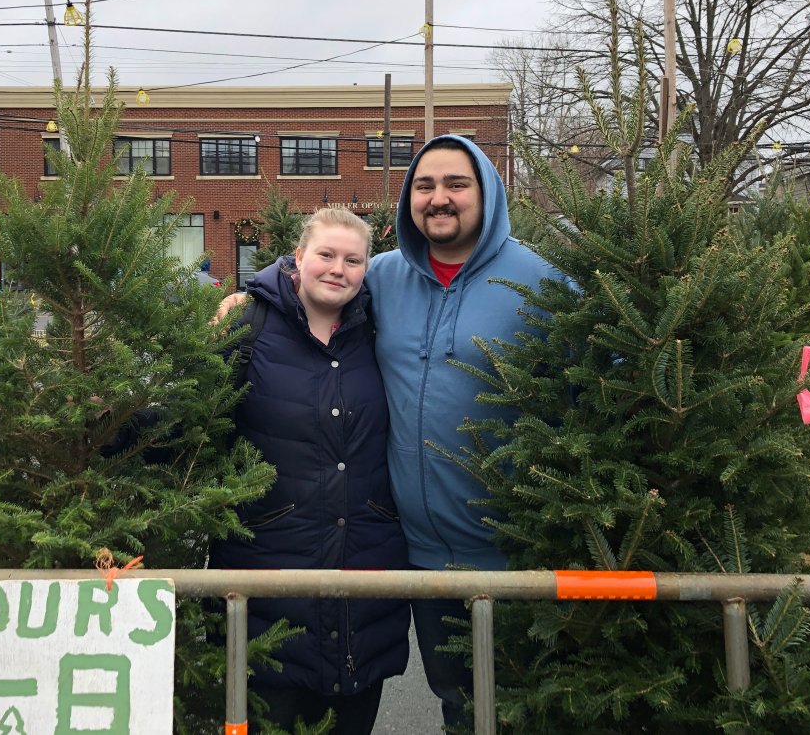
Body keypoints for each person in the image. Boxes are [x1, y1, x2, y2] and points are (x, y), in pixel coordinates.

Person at [367, 134, 561, 728]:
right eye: (424, 186)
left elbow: (613, 365)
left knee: (520, 709)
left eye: (456, 184)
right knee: (457, 703)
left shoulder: (539, 281)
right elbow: (312, 279)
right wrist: (248, 297)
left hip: (515, 556)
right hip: (423, 558)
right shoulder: (381, 278)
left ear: (487, 192)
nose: (439, 199)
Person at [209, 208, 409, 734]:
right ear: (298, 257)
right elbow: (190, 417)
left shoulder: (382, 331)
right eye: (325, 254)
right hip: (268, 570)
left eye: (353, 259)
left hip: (367, 567)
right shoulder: (246, 325)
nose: (337, 269)